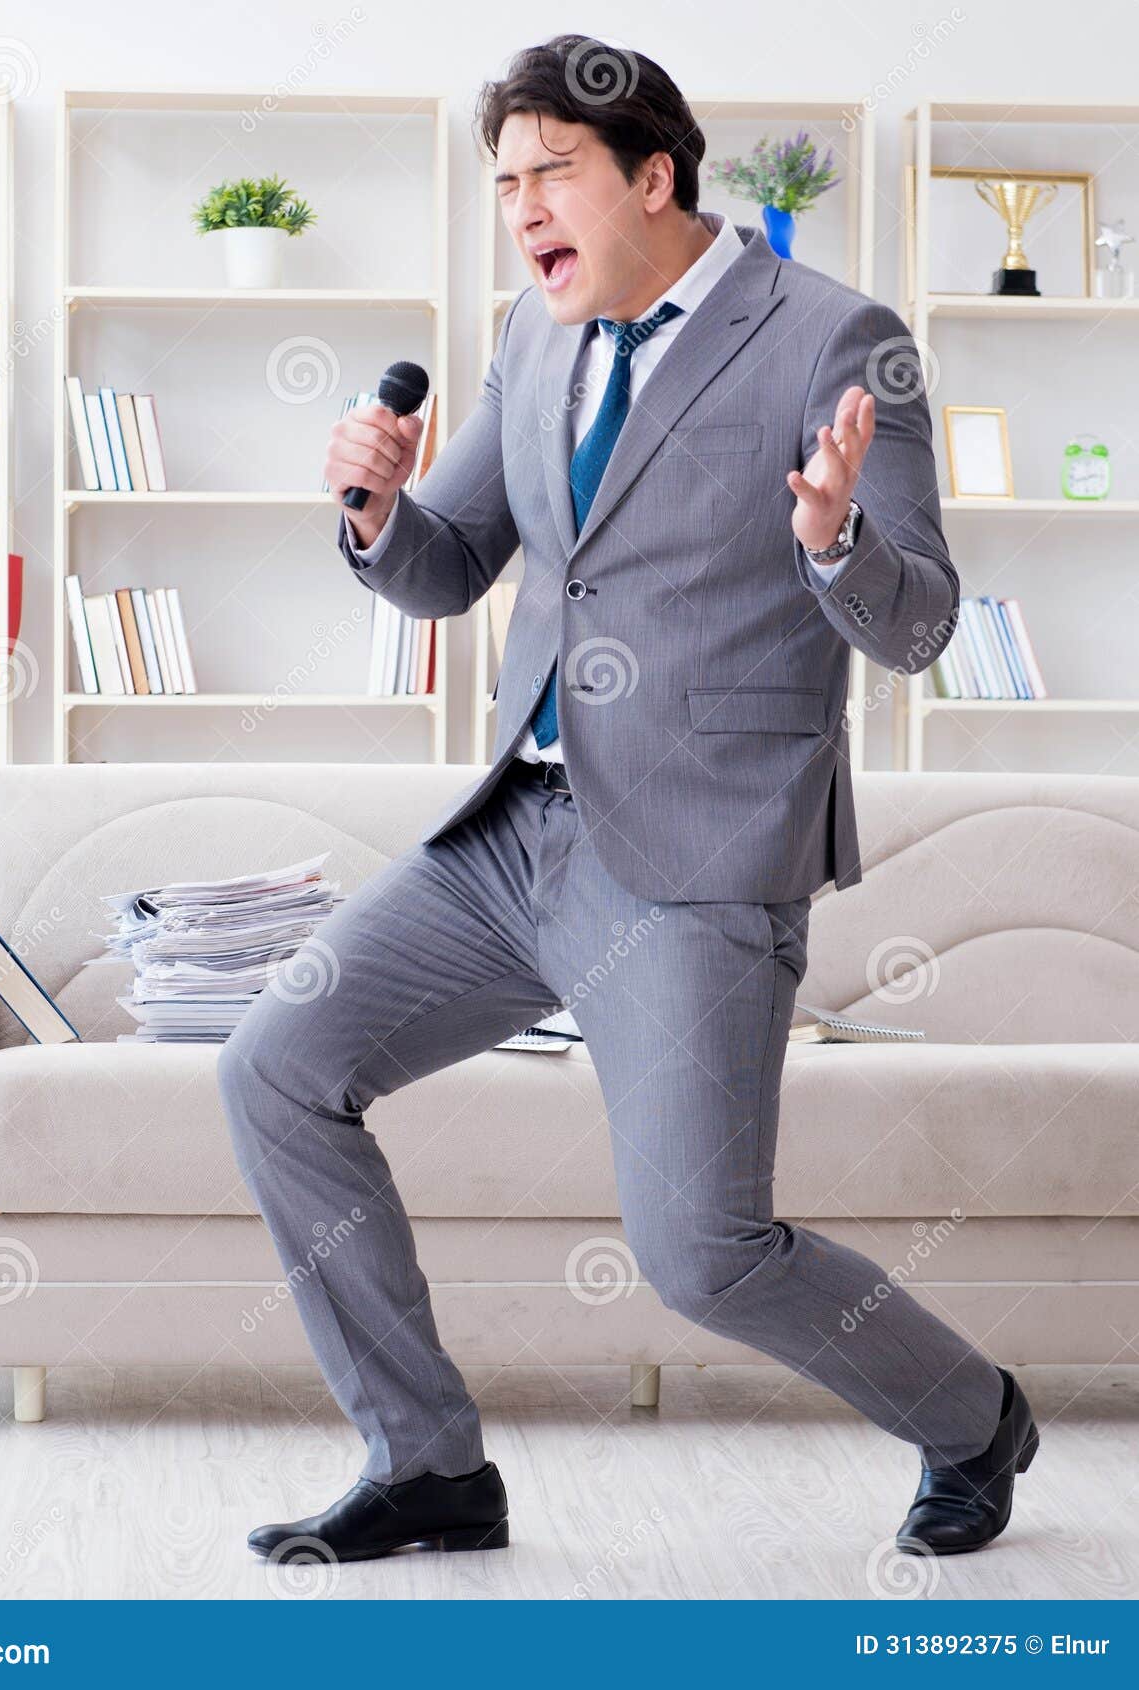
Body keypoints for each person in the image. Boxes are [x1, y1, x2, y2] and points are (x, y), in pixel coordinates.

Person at [218, 33, 1038, 1566]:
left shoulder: (833, 338)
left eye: (551, 173)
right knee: (273, 1068)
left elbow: (918, 620)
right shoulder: (535, 335)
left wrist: (831, 537)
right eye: (505, 181)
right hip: (510, 836)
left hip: (697, 859)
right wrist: (378, 515)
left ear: (651, 177)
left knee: (700, 1255)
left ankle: (971, 1413)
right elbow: (451, 566)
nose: (522, 207)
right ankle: (427, 1464)